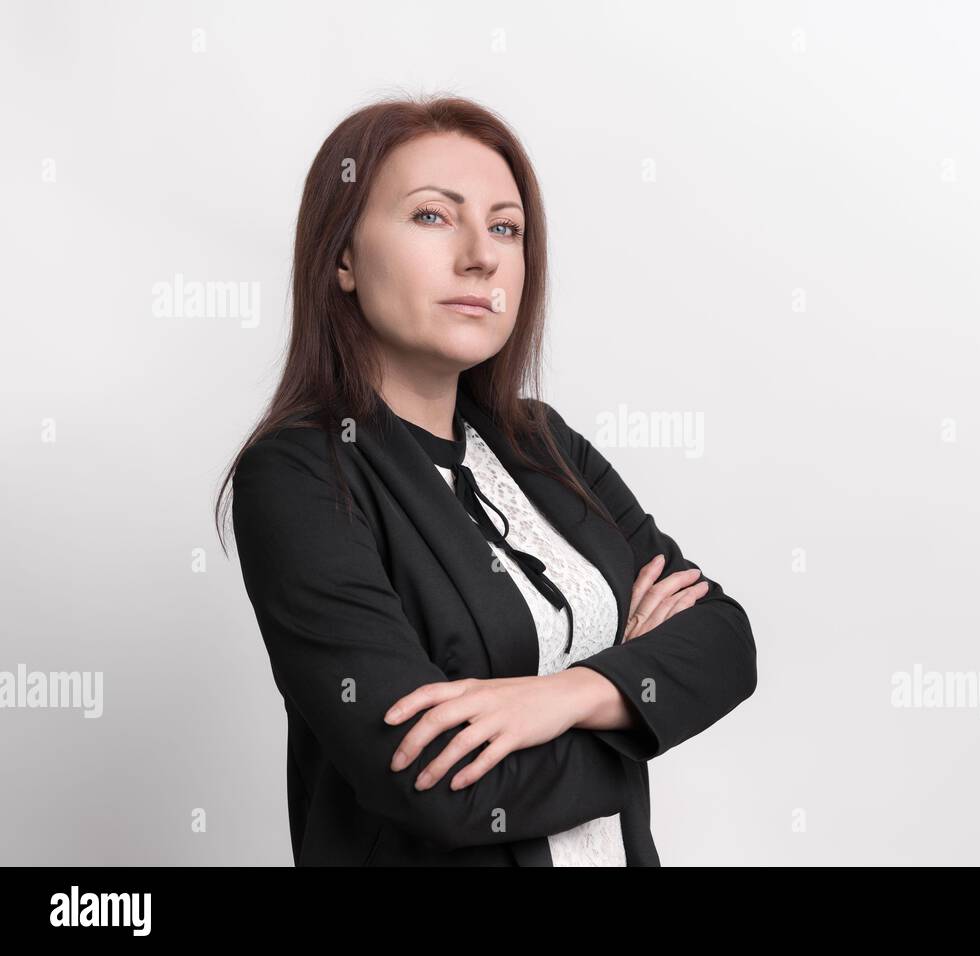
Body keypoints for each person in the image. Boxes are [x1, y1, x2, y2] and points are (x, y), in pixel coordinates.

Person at [214, 95, 758, 866]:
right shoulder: (300, 476)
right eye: (433, 217)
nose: (482, 256)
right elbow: (444, 790)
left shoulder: (542, 443)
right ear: (340, 257)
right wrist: (641, 701)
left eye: (506, 227)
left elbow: (725, 641)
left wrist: (565, 695)